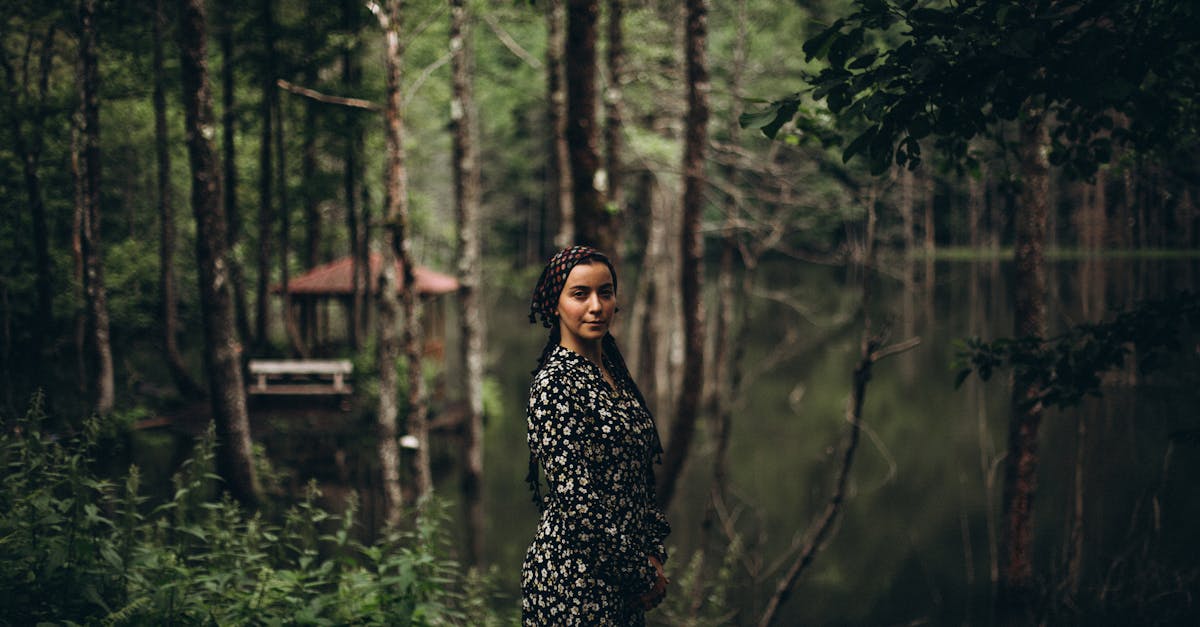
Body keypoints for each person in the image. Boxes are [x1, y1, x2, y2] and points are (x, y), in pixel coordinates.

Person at [521, 246, 672, 625]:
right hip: (573, 584)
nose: (596, 306)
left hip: (621, 578)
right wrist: (641, 574)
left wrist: (652, 550)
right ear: (554, 305)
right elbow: (577, 503)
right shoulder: (555, 383)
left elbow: (637, 477)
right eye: (580, 294)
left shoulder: (613, 374)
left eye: (605, 292)